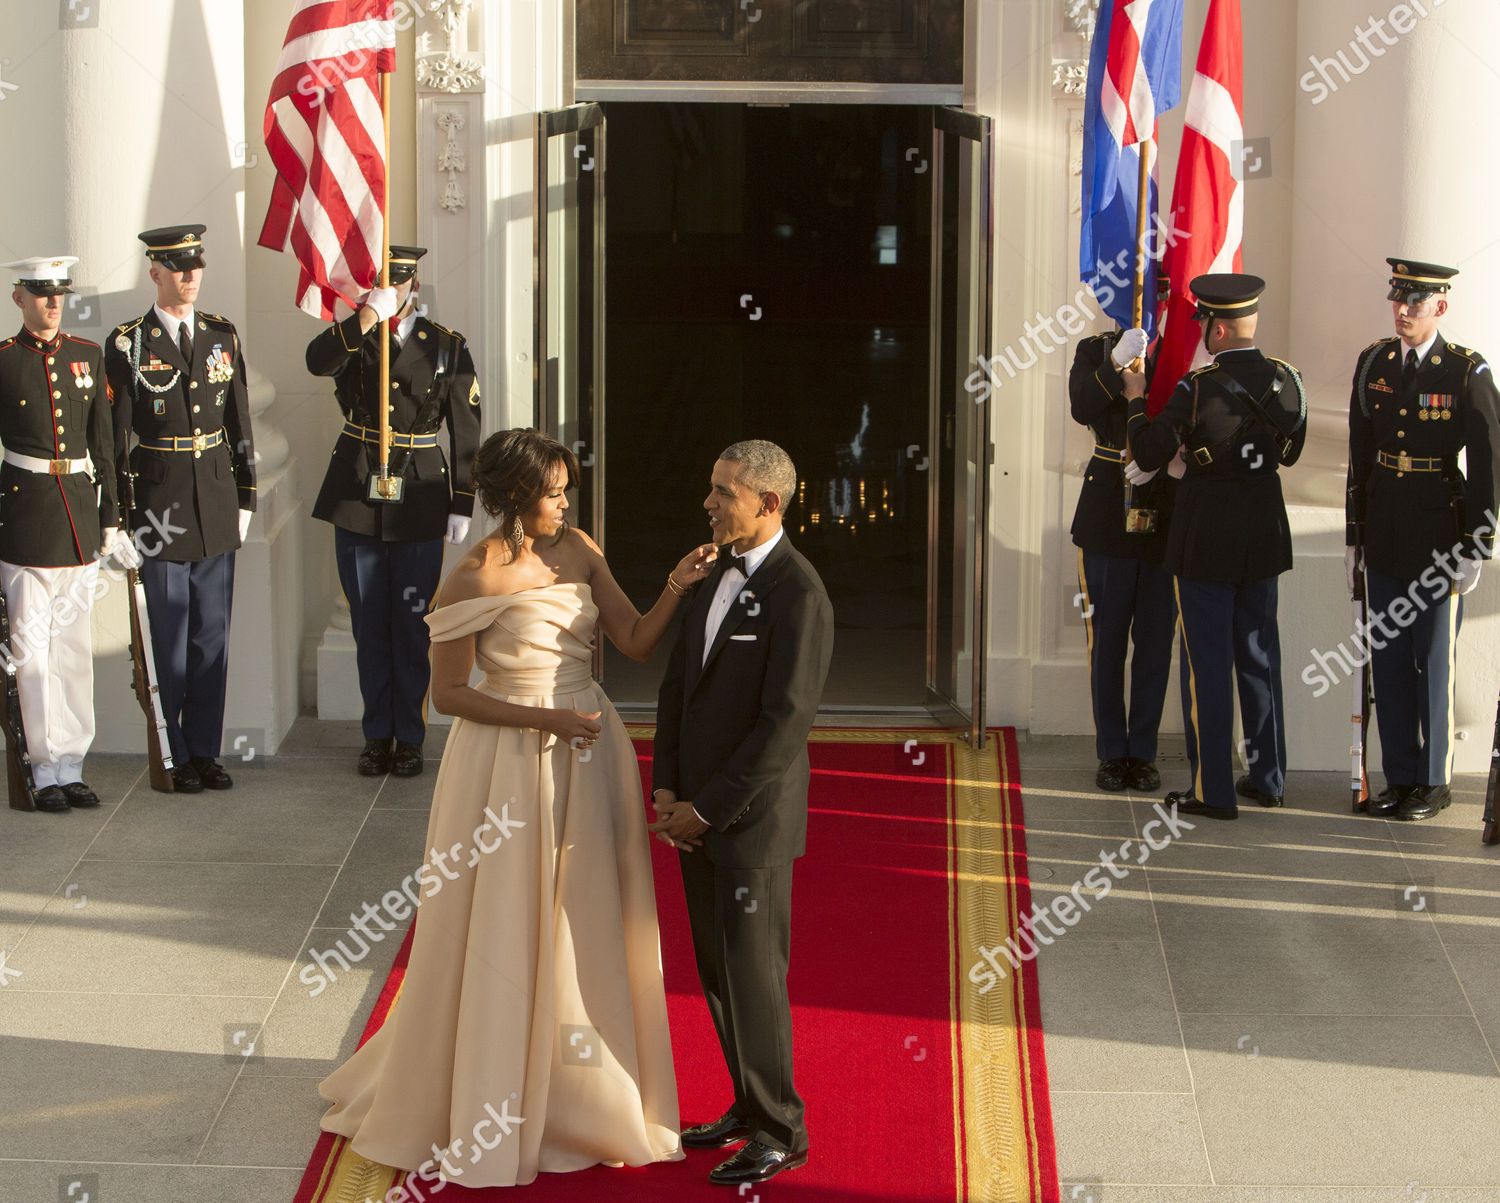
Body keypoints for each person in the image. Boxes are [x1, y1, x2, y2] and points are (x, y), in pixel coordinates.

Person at [318, 428, 716, 1187]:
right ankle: (493, 1089)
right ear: (511, 496)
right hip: (506, 764)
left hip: (590, 749)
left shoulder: (580, 550)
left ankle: (584, 1094)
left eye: (567, 491)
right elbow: (448, 695)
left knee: (586, 914)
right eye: (553, 493)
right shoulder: (471, 577)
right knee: (506, 917)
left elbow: (635, 641)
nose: (565, 504)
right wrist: (547, 719)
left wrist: (677, 583)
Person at [650, 439, 835, 1186]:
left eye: (724, 492)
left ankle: (782, 1129)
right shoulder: (710, 571)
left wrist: (708, 808)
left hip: (749, 822)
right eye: (712, 487)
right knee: (717, 971)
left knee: (754, 975)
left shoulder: (801, 595)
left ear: (769, 502)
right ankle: (748, 1105)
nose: (709, 502)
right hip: (694, 812)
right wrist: (667, 787)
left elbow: (783, 726)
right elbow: (677, 688)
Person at [1123, 274, 1306, 819]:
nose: (1201, 330)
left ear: (1218, 329)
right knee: (1258, 659)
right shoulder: (1288, 380)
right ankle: (1269, 779)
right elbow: (1291, 453)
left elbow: (1148, 451)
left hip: (1206, 537)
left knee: (1207, 665)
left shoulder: (1197, 387)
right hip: (1264, 535)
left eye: (1203, 322)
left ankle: (1213, 791)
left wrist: (1136, 399)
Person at [305, 246, 482, 778]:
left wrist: (462, 501)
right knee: (368, 624)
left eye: (398, 283)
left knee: (411, 624)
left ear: (414, 285)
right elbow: (317, 362)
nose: (390, 292)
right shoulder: (355, 335)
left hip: (420, 496)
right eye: (380, 283)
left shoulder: (446, 346)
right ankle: (376, 735)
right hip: (358, 494)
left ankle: (410, 737)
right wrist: (364, 318)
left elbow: (466, 430)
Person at [103, 224, 257, 793]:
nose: (190, 276)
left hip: (215, 499)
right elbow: (115, 439)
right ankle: (173, 755)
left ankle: (205, 752)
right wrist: (116, 519)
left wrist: (246, 495)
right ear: (155, 272)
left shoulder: (222, 334)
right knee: (168, 639)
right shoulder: (128, 343)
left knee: (211, 637)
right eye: (178, 267)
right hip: (158, 506)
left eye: (196, 266)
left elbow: (239, 419)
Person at [1346, 259, 1500, 821]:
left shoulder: (1465, 370)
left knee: (1433, 662)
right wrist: (1354, 535)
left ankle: (1434, 782)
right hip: (1385, 526)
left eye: (1415, 301)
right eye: (1398, 298)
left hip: (1440, 535)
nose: (1403, 310)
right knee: (1387, 660)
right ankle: (1401, 776)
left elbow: (1488, 460)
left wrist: (1478, 543)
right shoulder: (1375, 362)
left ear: (1440, 306)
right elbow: (1360, 454)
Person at [0, 256, 124, 813]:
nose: (53, 303)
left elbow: (105, 446)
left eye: (59, 294)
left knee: (73, 653)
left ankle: (71, 766)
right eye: (41, 293)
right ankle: (40, 766)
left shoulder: (87, 355)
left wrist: (112, 517)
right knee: (31, 656)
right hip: (25, 520)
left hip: (78, 518)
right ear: (19, 298)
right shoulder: (5, 361)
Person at [1069, 277, 1178, 793]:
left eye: (1156, 292)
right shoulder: (1095, 351)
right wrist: (1114, 364)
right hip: (1107, 508)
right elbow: (1082, 407)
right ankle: (1113, 751)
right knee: (1108, 641)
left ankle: (1143, 751)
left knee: (1155, 642)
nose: (1143, 303)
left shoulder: (1181, 355)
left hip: (1164, 507)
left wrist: (1160, 458)